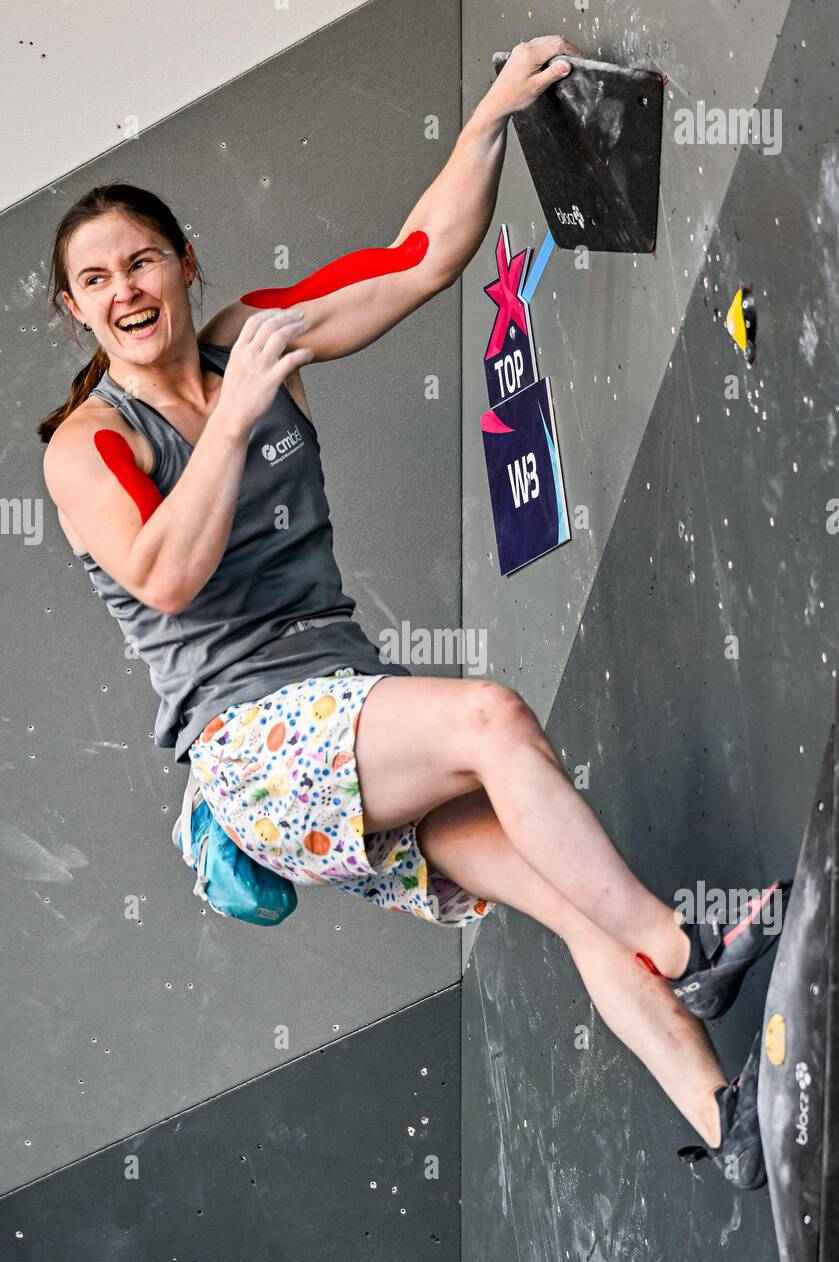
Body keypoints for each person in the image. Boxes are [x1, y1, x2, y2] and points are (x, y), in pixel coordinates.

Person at [38, 35, 788, 1190]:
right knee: (490, 717)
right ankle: (686, 951)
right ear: (76, 312)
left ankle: (725, 1119)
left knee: (566, 896)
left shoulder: (251, 336)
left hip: (346, 715)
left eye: (142, 261)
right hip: (256, 751)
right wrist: (231, 421)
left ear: (186, 264)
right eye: (96, 281)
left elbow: (418, 257)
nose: (126, 291)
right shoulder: (92, 443)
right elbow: (166, 576)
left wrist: (489, 115)